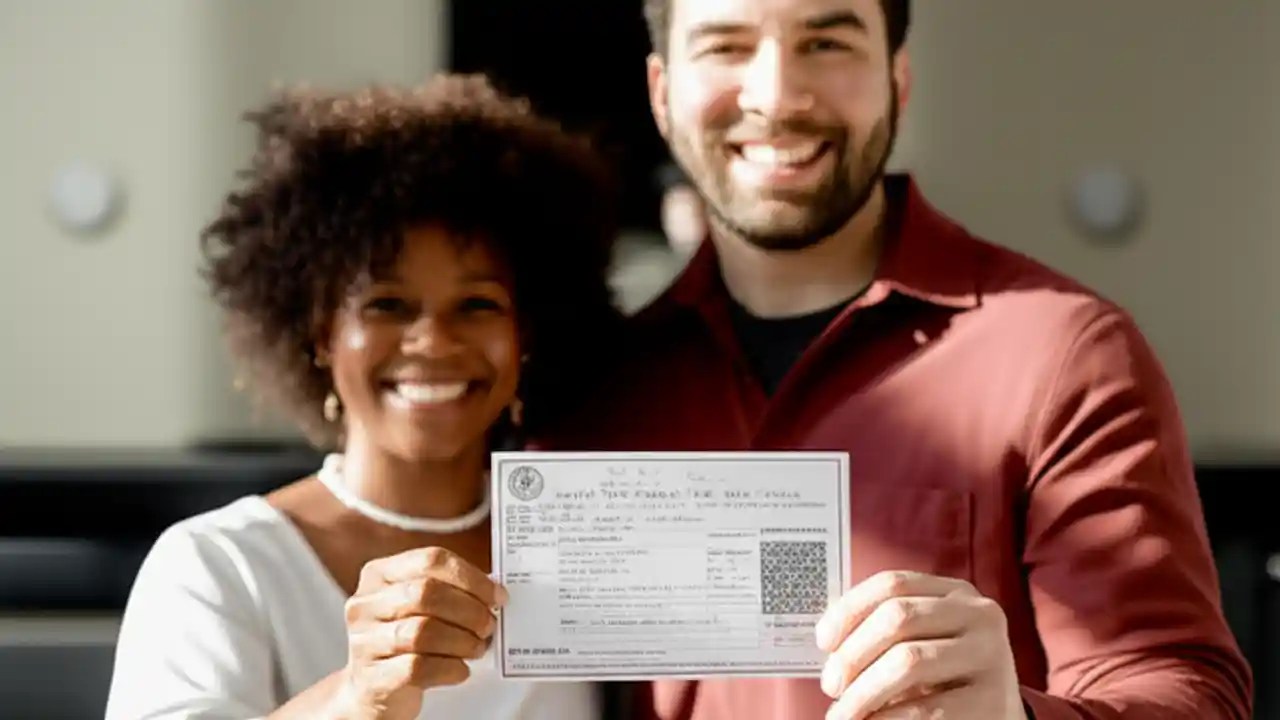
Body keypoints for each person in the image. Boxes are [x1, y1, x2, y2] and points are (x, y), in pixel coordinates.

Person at [533, 0, 1255, 718]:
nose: (778, 95)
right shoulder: (593, 386)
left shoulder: (1065, 357)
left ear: (899, 80)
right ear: (662, 91)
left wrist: (1015, 716)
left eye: (827, 42)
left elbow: (1186, 693)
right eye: (726, 46)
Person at [104, 74, 623, 720]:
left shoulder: (594, 555)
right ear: (320, 332)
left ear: (527, 332)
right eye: (387, 304)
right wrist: (358, 697)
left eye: (478, 304)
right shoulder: (218, 565)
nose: (432, 341)